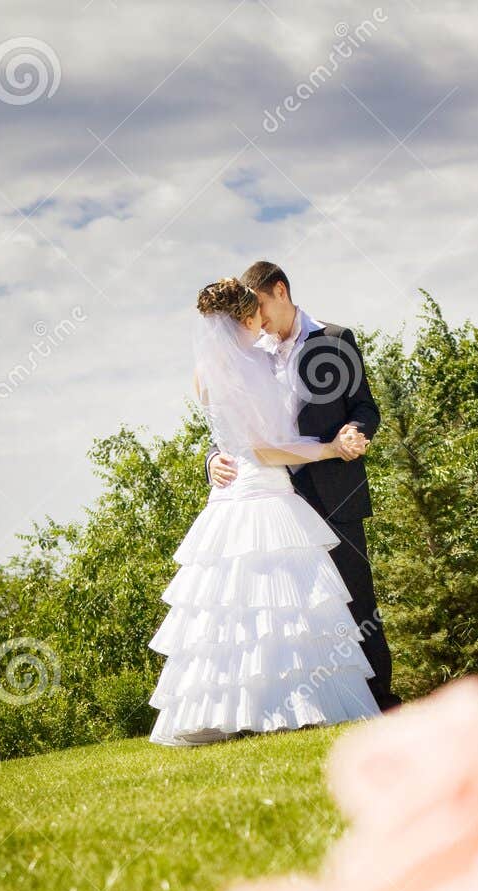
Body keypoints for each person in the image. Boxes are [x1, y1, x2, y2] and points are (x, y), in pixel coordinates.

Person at [148, 277, 380, 747]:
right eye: (254, 315)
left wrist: (345, 437)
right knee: (287, 604)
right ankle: (291, 707)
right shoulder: (247, 364)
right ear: (247, 317)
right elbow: (263, 447)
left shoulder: (209, 368)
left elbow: (357, 407)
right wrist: (331, 449)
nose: (262, 323)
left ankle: (241, 710)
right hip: (268, 491)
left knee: (238, 610)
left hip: (263, 497)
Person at [207, 260, 400, 712]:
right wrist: (212, 458)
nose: (252, 320)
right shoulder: (249, 353)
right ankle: (307, 707)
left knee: (355, 599)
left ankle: (379, 701)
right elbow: (233, 424)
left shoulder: (334, 340)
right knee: (290, 613)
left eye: (255, 307)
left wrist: (355, 432)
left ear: (280, 291)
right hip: (273, 497)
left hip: (334, 491)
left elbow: (366, 407)